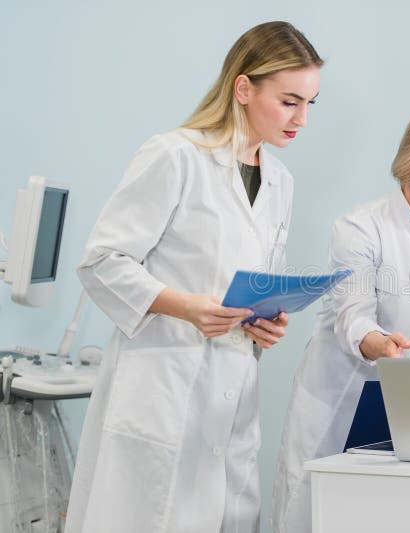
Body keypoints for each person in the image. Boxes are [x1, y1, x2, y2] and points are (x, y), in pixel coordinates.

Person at [64, 22, 322, 533]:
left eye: (310, 103)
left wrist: (265, 323)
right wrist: (185, 306)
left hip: (231, 398)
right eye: (289, 102)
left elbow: (252, 278)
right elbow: (102, 261)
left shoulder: (280, 181)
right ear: (244, 88)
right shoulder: (176, 155)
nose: (302, 119)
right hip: (163, 387)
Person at [271, 103, 410, 533]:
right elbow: (352, 317)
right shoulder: (360, 228)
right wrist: (381, 344)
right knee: (321, 515)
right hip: (348, 400)